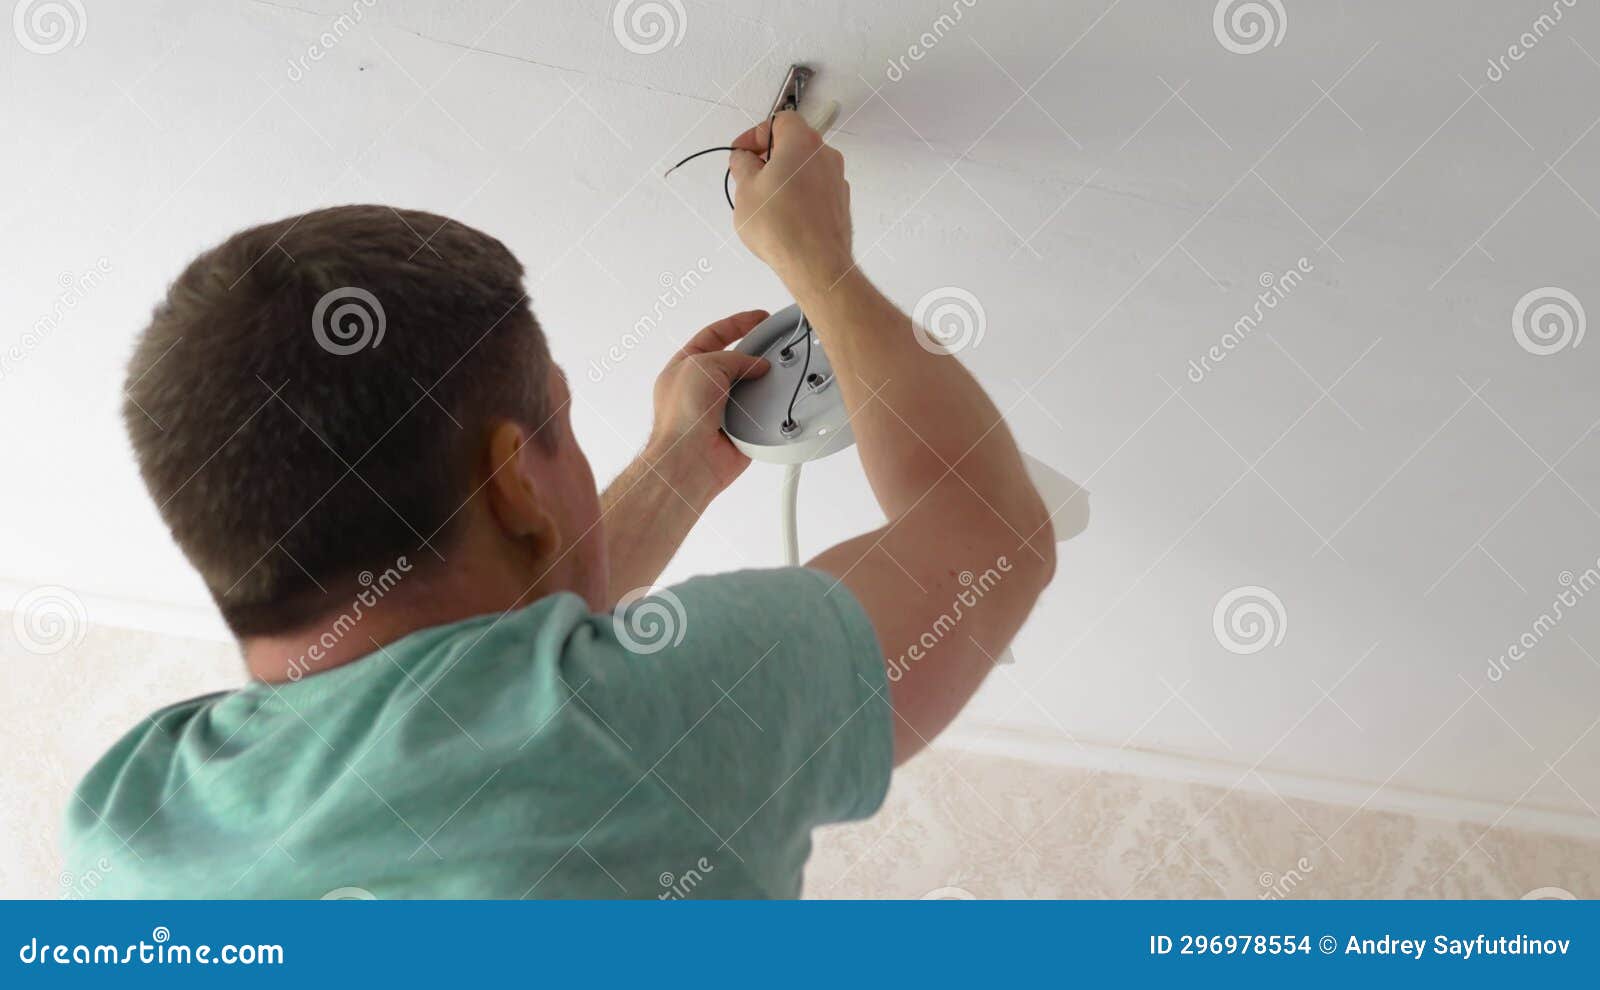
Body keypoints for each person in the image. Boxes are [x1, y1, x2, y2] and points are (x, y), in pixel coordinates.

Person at [65, 111, 1056, 898]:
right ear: (514, 482)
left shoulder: (126, 830)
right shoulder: (669, 711)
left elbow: (461, 683)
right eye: (561, 424)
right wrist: (821, 263)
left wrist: (677, 468)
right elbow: (986, 530)